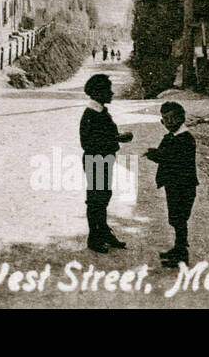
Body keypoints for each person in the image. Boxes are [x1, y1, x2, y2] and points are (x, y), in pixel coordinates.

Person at [79, 73, 133, 253]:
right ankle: (94, 238)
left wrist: (116, 137)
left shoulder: (100, 111)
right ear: (98, 92)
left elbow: (103, 136)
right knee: (96, 199)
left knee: (103, 197)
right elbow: (87, 143)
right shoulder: (90, 114)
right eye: (108, 90)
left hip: (103, 160)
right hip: (96, 160)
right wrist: (115, 138)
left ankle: (103, 231)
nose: (112, 94)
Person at [145, 101, 198, 267]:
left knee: (179, 218)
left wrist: (154, 154)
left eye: (172, 119)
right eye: (165, 119)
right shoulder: (171, 137)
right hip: (173, 185)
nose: (168, 123)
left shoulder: (186, 139)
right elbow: (163, 153)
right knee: (175, 218)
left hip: (184, 186)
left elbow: (170, 158)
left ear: (181, 119)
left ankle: (182, 253)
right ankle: (178, 248)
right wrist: (155, 153)